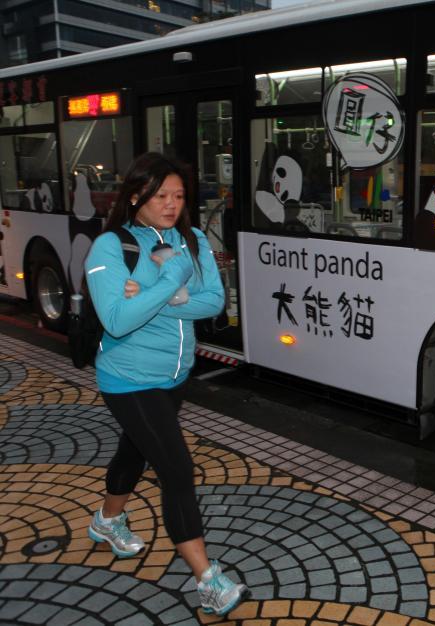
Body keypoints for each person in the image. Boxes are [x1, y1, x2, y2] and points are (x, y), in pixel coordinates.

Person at [83, 152, 249, 616]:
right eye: (161, 195)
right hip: (127, 377)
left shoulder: (192, 239)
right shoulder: (112, 248)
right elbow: (117, 320)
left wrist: (158, 296)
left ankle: (106, 521)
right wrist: (173, 282)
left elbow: (214, 301)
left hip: (175, 374)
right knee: (176, 468)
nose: (172, 204)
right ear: (136, 195)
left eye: (179, 195)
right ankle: (208, 580)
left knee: (134, 450)